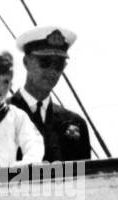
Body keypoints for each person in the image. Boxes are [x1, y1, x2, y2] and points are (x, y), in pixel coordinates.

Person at [9, 25, 92, 161]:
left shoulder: (75, 123)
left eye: (59, 64)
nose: (53, 71)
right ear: (26, 62)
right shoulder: (0, 116)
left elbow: (84, 179)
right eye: (45, 62)